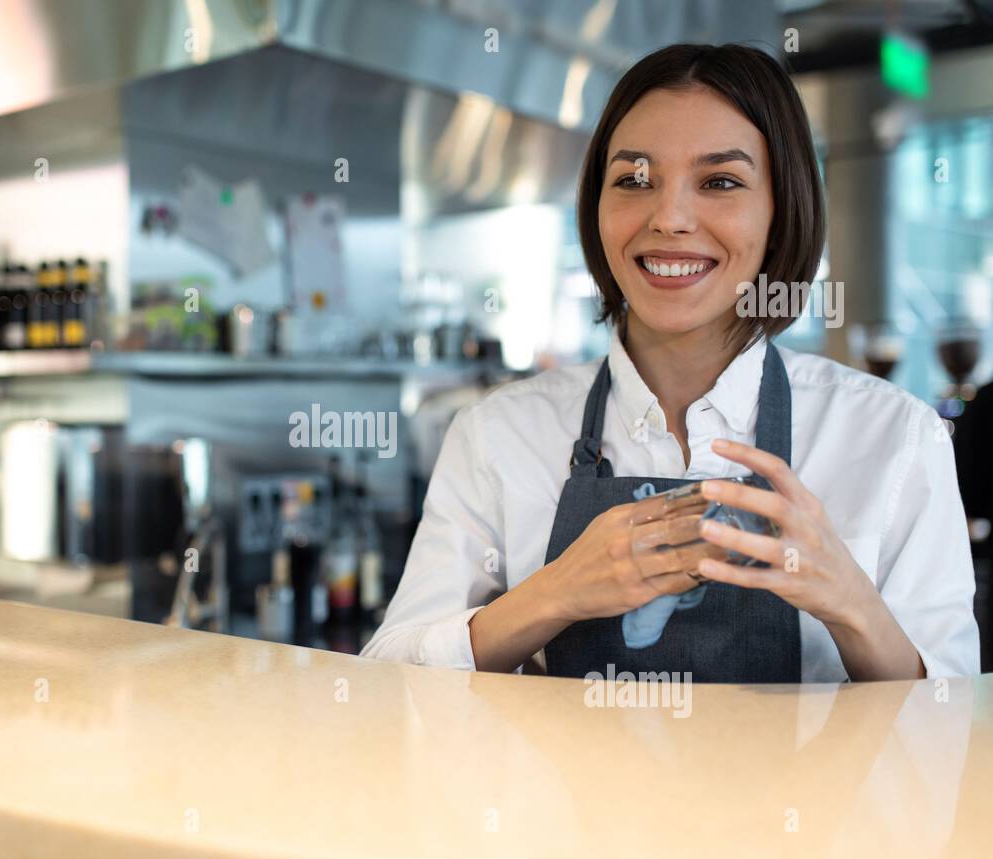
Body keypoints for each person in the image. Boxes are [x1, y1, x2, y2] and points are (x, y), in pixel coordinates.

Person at [362, 43, 979, 682]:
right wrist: (553, 595)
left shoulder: (895, 436)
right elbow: (390, 684)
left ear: (781, 210)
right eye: (633, 179)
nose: (669, 218)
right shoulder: (498, 434)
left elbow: (954, 732)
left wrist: (853, 607)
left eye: (720, 182)